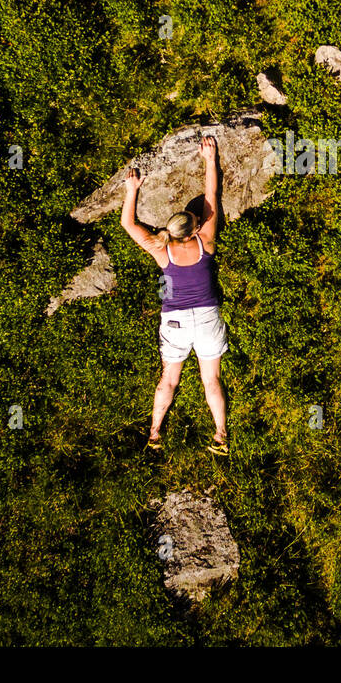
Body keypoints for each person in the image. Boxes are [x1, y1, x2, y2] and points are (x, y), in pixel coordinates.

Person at [120, 134, 229, 455]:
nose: (201, 217)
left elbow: (128, 224)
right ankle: (220, 436)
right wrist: (209, 159)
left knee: (168, 380)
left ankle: (154, 434)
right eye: (197, 219)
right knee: (212, 381)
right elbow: (212, 193)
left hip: (175, 322)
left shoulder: (160, 247)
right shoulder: (205, 241)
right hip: (208, 317)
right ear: (194, 229)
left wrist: (132, 190)